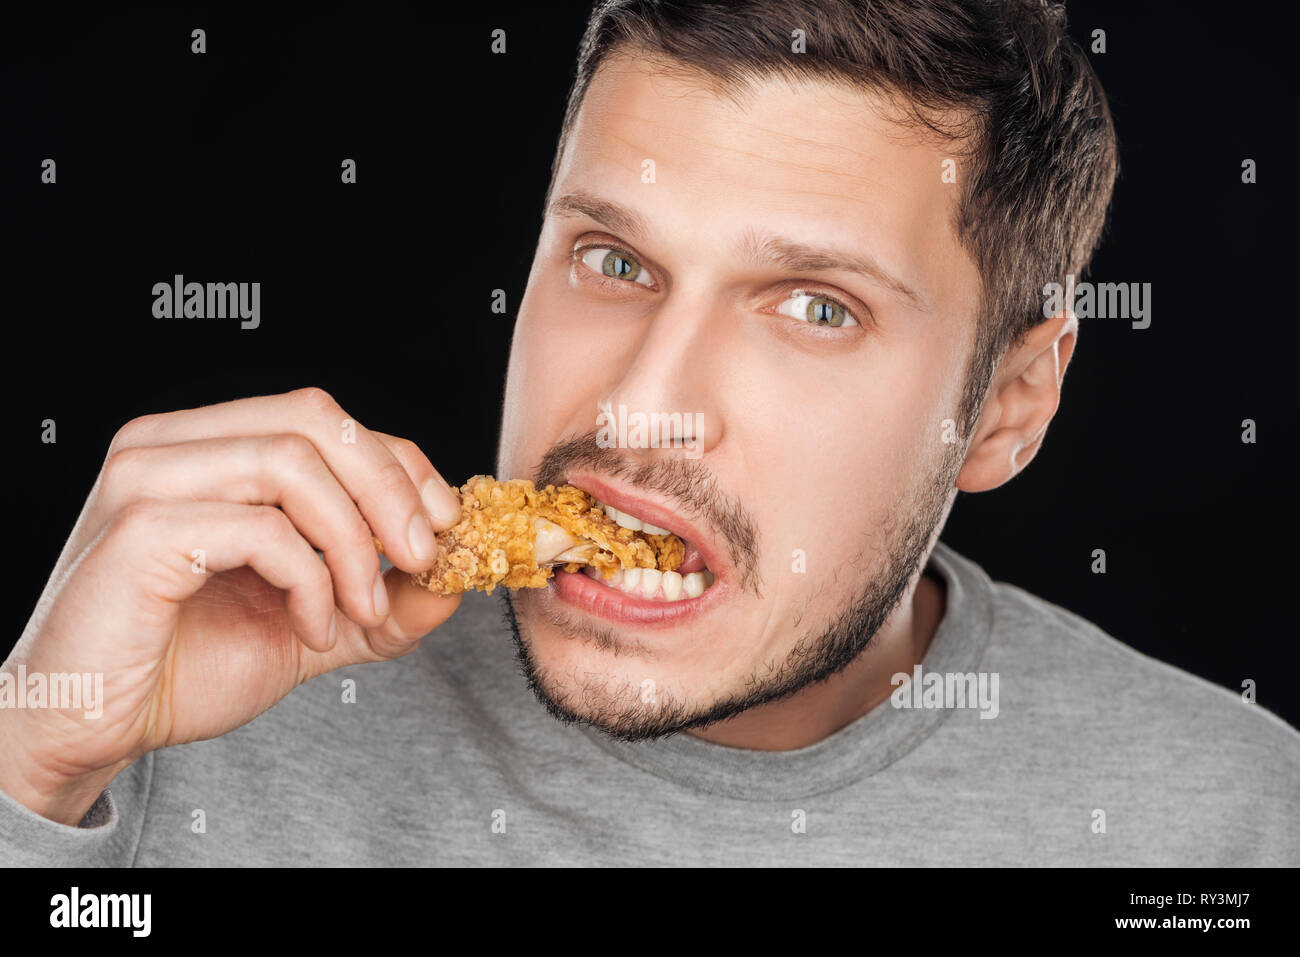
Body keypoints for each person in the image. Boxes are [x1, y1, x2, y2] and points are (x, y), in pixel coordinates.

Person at [2, 0, 1296, 866]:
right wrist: (30, 760)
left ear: (1007, 404)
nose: (637, 407)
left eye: (814, 306)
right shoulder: (198, 698)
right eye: (614, 261)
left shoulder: (1231, 823)